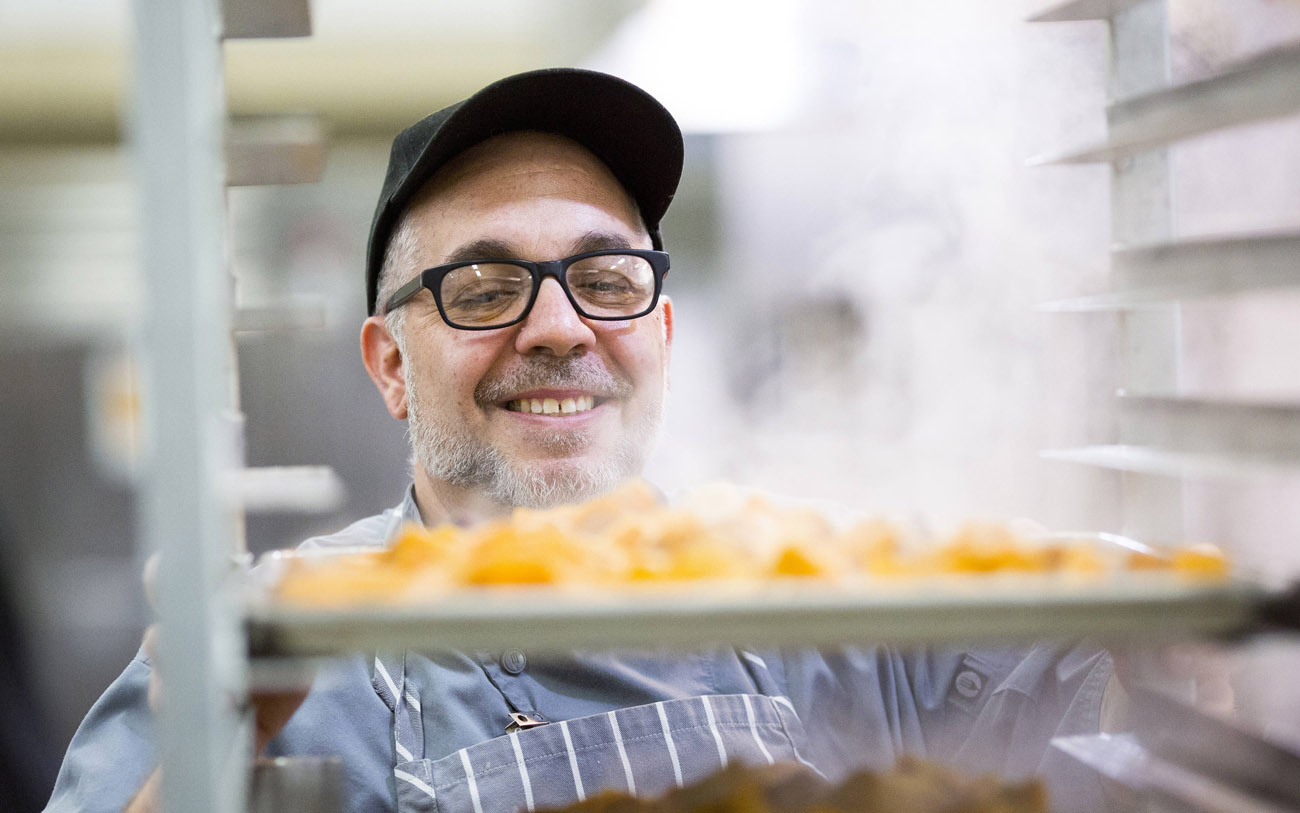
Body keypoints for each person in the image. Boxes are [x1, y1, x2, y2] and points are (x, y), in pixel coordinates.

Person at [46, 69, 1114, 813]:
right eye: (483, 287)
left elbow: (1145, 662)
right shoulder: (288, 647)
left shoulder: (820, 599)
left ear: (659, 331)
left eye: (605, 282)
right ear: (386, 366)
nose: (559, 329)